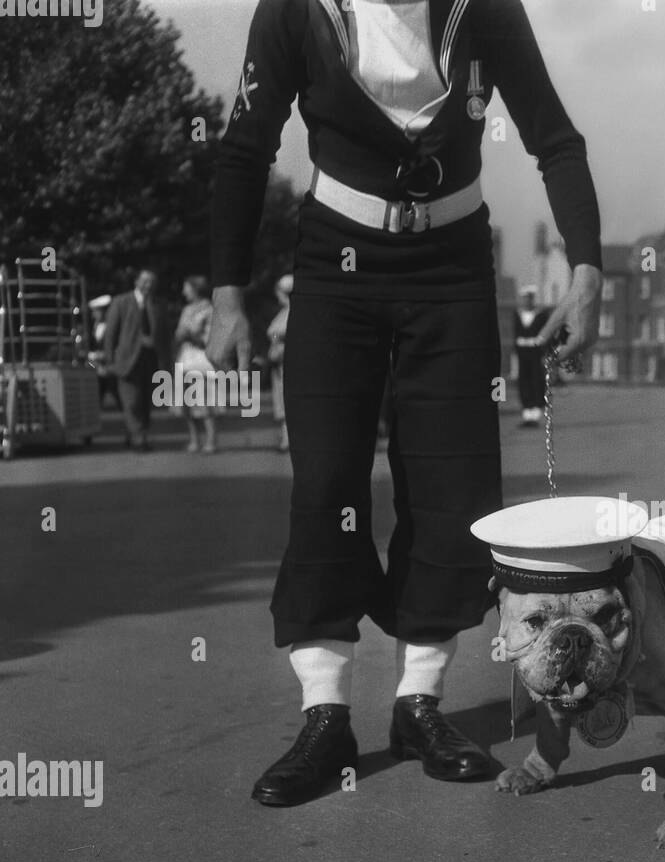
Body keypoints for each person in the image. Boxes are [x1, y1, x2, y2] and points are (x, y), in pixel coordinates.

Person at [207, 0, 603, 807]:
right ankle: (326, 716)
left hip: (451, 268)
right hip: (334, 264)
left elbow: (553, 137)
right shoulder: (292, 10)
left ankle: (420, 704)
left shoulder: (484, 7)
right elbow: (245, 147)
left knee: (453, 489)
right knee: (325, 486)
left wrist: (589, 271)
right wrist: (225, 294)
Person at [102, 269, 168, 451]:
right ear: (137, 282)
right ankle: (139, 438)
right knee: (131, 401)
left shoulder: (158, 304)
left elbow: (165, 337)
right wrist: (110, 362)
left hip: (150, 360)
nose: (149, 286)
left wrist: (166, 364)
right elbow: (110, 335)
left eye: (152, 282)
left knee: (146, 401)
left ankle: (138, 433)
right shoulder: (121, 302)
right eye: (145, 281)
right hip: (126, 361)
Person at [172, 275, 219, 454]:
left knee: (203, 400)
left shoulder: (209, 309)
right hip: (185, 357)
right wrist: (181, 335)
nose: (184, 292)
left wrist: (192, 335)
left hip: (201, 358)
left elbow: (211, 336)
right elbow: (178, 333)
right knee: (185, 402)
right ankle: (194, 439)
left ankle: (211, 439)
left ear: (195, 289)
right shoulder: (186, 310)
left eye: (187, 288)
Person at [513, 284, 551, 426]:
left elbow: (546, 334)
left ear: (532, 299)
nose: (525, 302)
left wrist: (544, 351)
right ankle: (526, 413)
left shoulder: (541, 315)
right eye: (523, 299)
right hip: (522, 353)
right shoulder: (517, 314)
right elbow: (515, 333)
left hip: (535, 352)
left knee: (536, 380)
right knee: (523, 381)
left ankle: (535, 415)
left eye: (528, 299)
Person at [266, 273, 292, 453]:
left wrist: (276, 336)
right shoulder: (283, 313)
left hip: (289, 364)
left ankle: (289, 439)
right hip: (279, 365)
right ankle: (286, 437)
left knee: (288, 401)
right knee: (282, 401)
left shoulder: (294, 311)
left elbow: (279, 333)